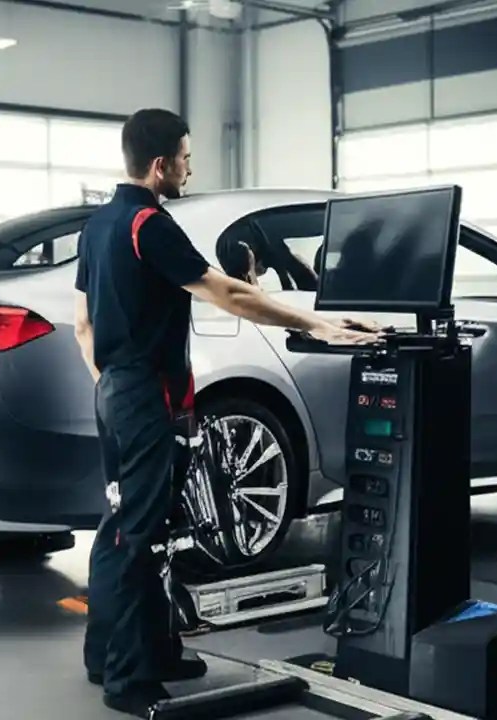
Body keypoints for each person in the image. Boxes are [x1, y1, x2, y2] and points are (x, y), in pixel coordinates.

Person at [72, 108, 380, 717]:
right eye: (185, 157)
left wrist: (113, 384)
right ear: (160, 166)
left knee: (126, 526)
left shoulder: (100, 224)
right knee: (142, 537)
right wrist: (318, 321)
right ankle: (127, 680)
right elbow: (227, 294)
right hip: (145, 397)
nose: (190, 167)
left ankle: (122, 653)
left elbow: (85, 323)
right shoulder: (147, 224)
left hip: (114, 391)